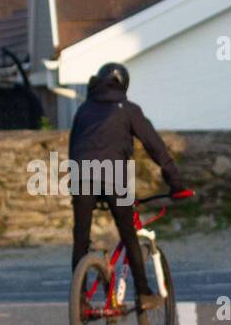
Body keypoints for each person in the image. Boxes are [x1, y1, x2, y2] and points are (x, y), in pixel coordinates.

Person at [68, 62, 188, 311]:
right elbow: (155, 147)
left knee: (81, 237)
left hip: (82, 177)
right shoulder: (129, 110)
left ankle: (79, 300)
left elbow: (74, 147)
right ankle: (143, 292)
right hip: (115, 177)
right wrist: (175, 183)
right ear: (124, 85)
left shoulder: (83, 109)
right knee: (128, 232)